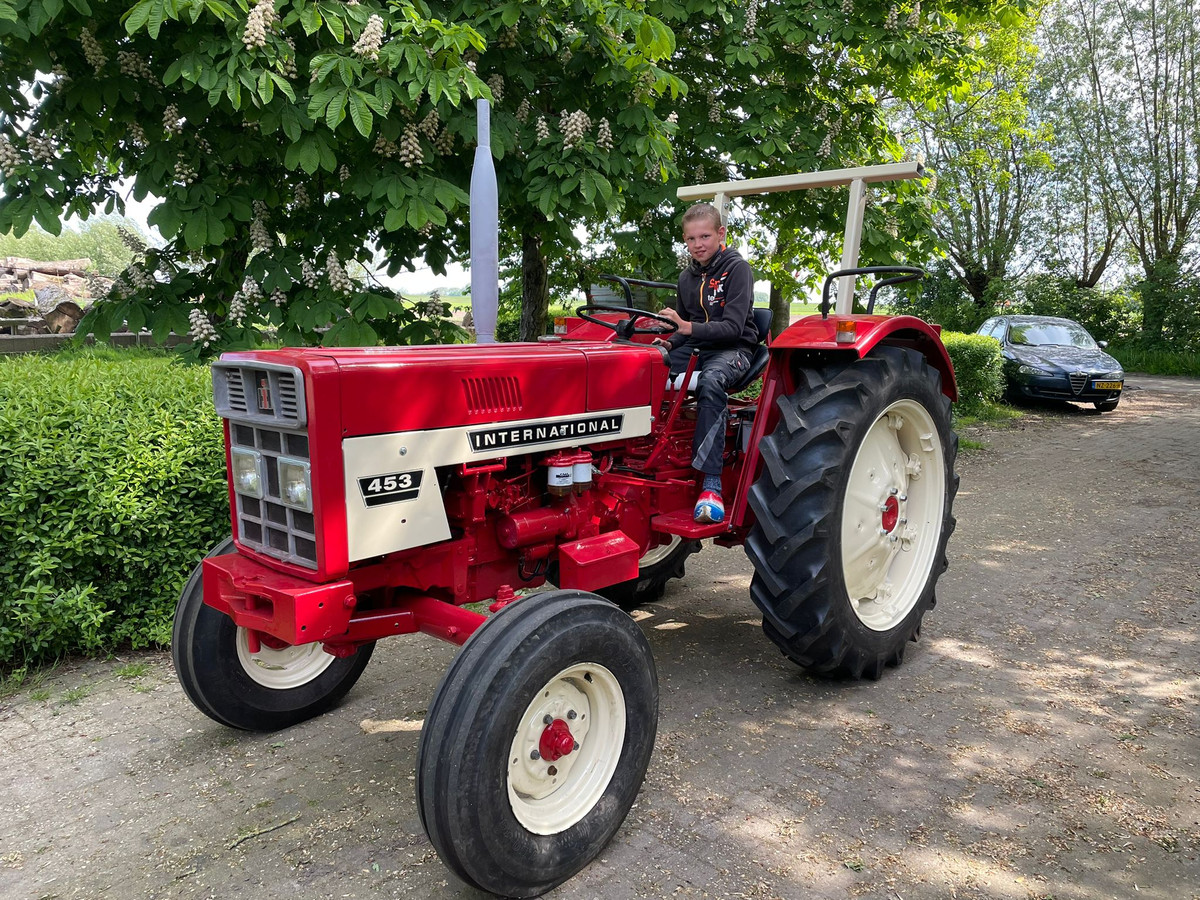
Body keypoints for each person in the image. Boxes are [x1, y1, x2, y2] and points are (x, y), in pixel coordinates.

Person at [656, 203, 759, 524]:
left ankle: (711, 483)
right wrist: (669, 342)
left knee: (712, 380)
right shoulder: (687, 277)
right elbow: (685, 327)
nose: (698, 244)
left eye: (705, 236)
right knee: (646, 366)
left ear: (721, 234)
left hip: (735, 349)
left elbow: (732, 328)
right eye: (690, 239)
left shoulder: (737, 270)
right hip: (699, 345)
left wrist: (684, 328)